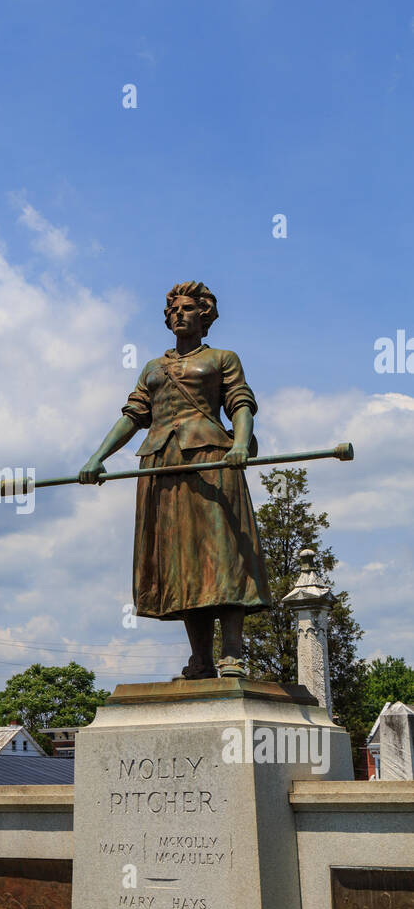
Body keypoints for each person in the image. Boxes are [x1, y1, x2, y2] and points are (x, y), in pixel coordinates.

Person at [79, 280, 271, 678]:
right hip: (161, 466)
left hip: (211, 461)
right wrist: (97, 458)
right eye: (173, 311)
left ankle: (231, 653)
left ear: (205, 316)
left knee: (222, 555)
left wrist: (239, 443)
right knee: (182, 563)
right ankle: (201, 658)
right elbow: (133, 416)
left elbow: (241, 403)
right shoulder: (153, 368)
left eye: (187, 309)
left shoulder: (223, 358)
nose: (178, 315)